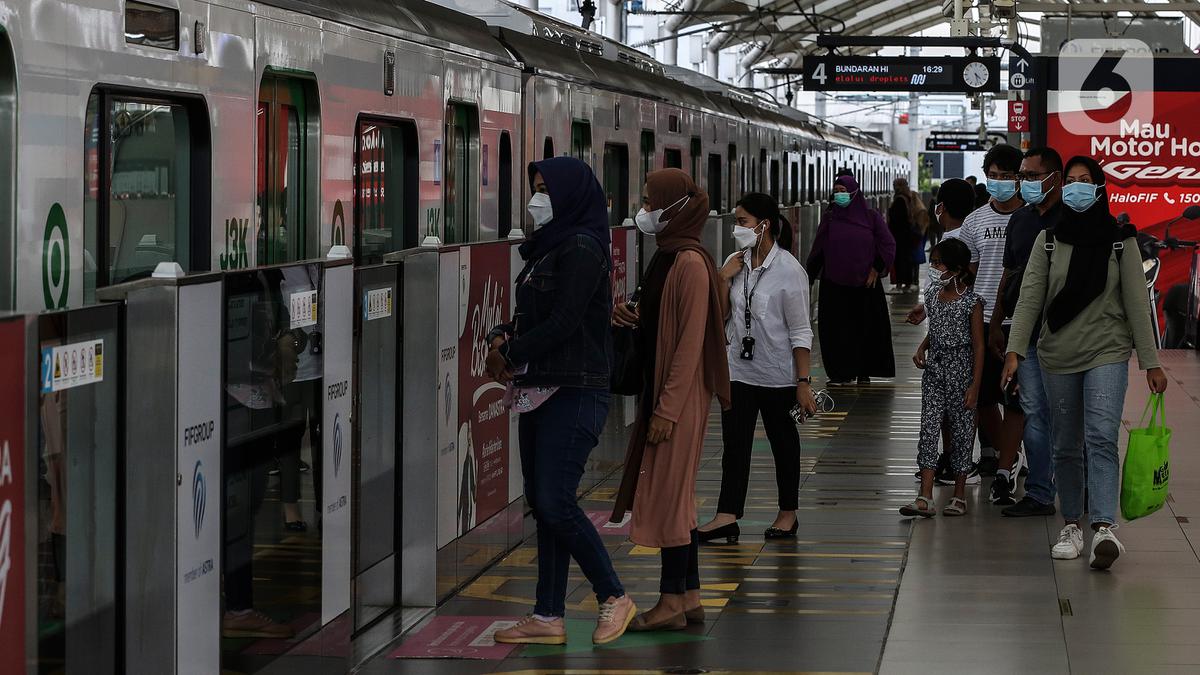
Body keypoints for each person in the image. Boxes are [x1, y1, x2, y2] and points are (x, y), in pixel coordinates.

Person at [486, 157, 635, 646]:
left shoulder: (582, 246)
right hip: (539, 390)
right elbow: (534, 316)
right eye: (534, 187)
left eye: (546, 188)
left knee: (554, 499)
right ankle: (548, 615)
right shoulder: (546, 248)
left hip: (574, 389)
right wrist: (502, 336)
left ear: (571, 193)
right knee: (545, 504)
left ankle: (613, 595)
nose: (536, 198)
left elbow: (567, 320)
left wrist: (512, 351)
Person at [1003, 155, 1169, 570]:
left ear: (1098, 189)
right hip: (1057, 354)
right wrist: (1014, 350)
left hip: (1108, 351)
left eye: (1084, 180)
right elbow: (1030, 301)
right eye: (1071, 181)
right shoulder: (1048, 241)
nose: (1077, 187)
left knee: (1100, 435)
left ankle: (1103, 527)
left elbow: (1136, 304)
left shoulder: (1121, 241)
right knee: (1066, 444)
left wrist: (1151, 362)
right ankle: (1072, 524)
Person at [611, 168, 731, 631]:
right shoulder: (668, 256)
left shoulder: (690, 264)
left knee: (670, 501)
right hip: (666, 393)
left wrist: (666, 410)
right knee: (676, 497)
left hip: (677, 399)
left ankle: (669, 603)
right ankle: (691, 597)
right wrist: (635, 314)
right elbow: (664, 320)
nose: (643, 210)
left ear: (675, 207)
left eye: (648, 201)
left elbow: (688, 346)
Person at [697, 193, 816, 545]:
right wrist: (721, 280)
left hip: (778, 373)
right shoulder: (735, 264)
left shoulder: (790, 271)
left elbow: (800, 330)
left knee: (783, 442)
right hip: (738, 370)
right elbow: (721, 318)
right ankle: (727, 514)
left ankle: (788, 513)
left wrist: (803, 381)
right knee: (735, 444)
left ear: (763, 225)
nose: (737, 228)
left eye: (743, 221)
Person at [990, 147, 1064, 518]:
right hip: (1026, 332)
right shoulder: (1019, 220)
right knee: (1033, 411)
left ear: (1055, 178)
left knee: (1069, 414)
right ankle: (1039, 493)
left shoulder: (1073, 219)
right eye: (1023, 176)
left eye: (1032, 176)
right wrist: (997, 325)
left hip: (1067, 335)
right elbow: (1009, 274)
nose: (1025, 183)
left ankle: (1075, 487)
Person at [958, 144, 1026, 504]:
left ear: (1019, 177)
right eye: (992, 176)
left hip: (1021, 321)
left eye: (1005, 176)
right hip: (981, 321)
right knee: (983, 396)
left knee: (1019, 398)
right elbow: (966, 274)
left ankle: (1009, 462)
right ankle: (1005, 459)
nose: (998, 182)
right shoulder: (974, 221)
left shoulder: (1031, 217)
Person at [904, 178, 980, 485]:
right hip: (940, 341)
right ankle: (950, 462)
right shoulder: (959, 234)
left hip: (956, 350)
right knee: (947, 413)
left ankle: (959, 464)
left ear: (941, 206)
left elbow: (961, 295)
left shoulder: (959, 241)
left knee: (955, 413)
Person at [902, 238, 984, 517]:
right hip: (935, 370)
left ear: (957, 268)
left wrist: (975, 384)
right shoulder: (933, 295)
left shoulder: (971, 302)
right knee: (928, 427)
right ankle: (925, 495)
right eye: (933, 262)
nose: (934, 267)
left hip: (962, 370)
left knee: (962, 431)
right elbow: (936, 329)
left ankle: (959, 493)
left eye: (938, 263)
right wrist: (922, 347)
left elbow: (978, 345)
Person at [807, 174, 896, 385]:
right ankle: (840, 373)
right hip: (834, 284)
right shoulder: (830, 217)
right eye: (836, 190)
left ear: (854, 192)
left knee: (865, 330)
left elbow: (888, 244)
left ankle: (864, 370)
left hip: (865, 285)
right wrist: (809, 274)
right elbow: (819, 247)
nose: (839, 194)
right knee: (836, 331)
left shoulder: (871, 217)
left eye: (843, 190)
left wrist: (877, 269)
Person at [887, 177, 928, 293]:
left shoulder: (900, 199)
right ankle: (908, 284)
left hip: (900, 236)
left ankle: (901, 285)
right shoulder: (908, 197)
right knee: (907, 260)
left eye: (896, 185)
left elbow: (898, 219)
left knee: (900, 260)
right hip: (906, 235)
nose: (894, 187)